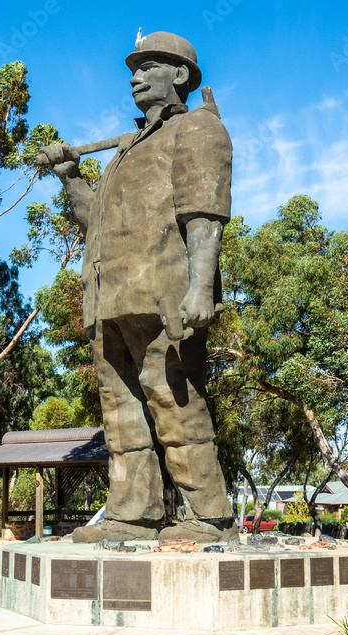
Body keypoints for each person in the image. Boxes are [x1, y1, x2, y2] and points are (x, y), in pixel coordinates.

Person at [40, 31, 237, 543]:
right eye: (133, 68)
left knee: (175, 399)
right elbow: (97, 225)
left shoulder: (198, 129)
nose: (134, 76)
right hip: (109, 297)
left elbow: (205, 214)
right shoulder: (126, 151)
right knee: (120, 410)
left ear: (179, 75)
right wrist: (71, 180)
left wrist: (200, 287)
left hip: (163, 292)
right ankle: (133, 512)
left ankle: (209, 516)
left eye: (148, 66)